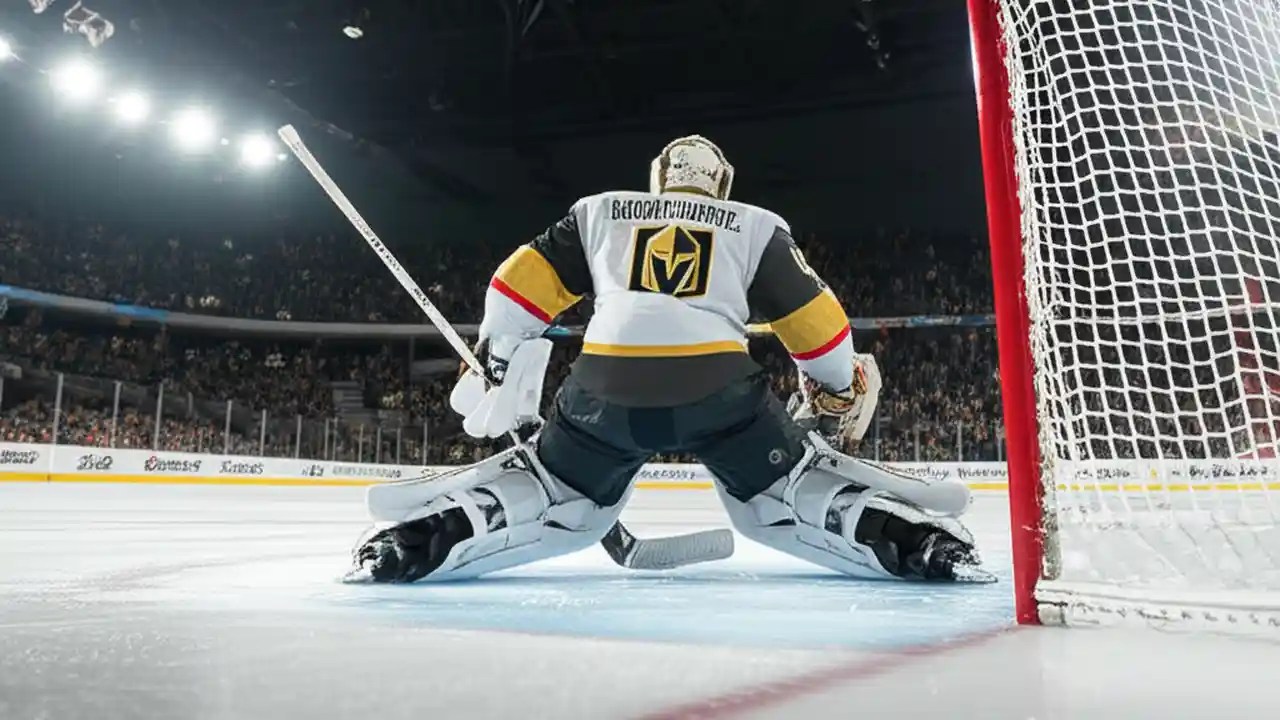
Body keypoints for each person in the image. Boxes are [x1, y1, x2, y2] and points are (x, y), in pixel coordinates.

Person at [351, 136, 987, 583]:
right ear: (720, 185)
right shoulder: (753, 224)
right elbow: (819, 328)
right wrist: (834, 389)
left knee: (566, 507)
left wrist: (494, 354)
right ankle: (919, 543)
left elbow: (519, 283)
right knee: (775, 505)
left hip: (603, 389)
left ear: (659, 176)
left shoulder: (597, 211)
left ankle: (409, 545)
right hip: (721, 391)